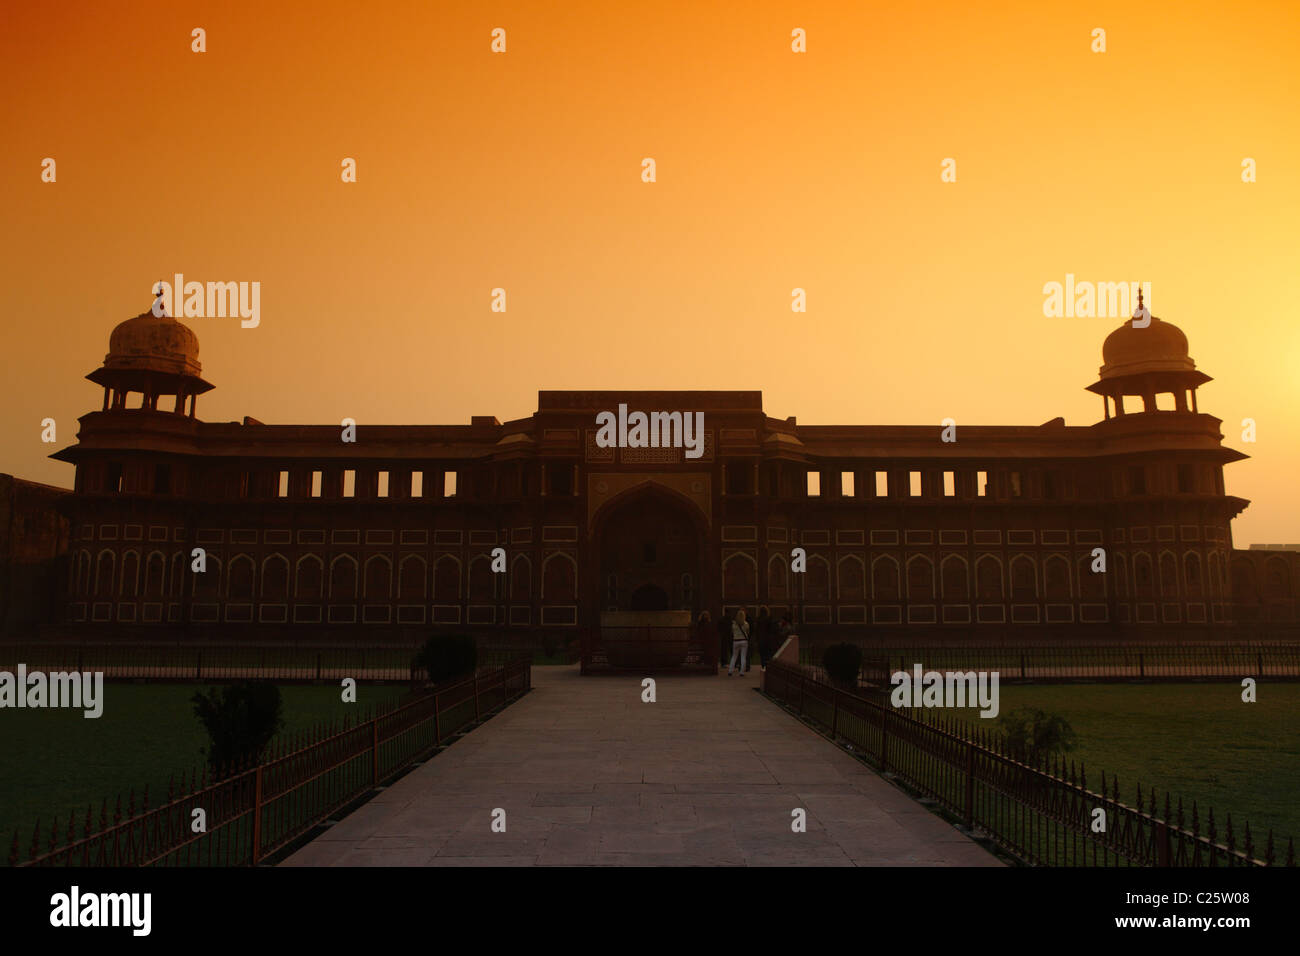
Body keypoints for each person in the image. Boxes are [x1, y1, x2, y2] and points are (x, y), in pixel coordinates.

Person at [728, 608, 751, 676]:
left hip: (736, 641)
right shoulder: (746, 624)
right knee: (743, 657)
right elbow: (748, 632)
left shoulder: (734, 624)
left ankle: (730, 671)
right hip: (744, 641)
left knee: (734, 656)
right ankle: (742, 672)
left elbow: (732, 632)